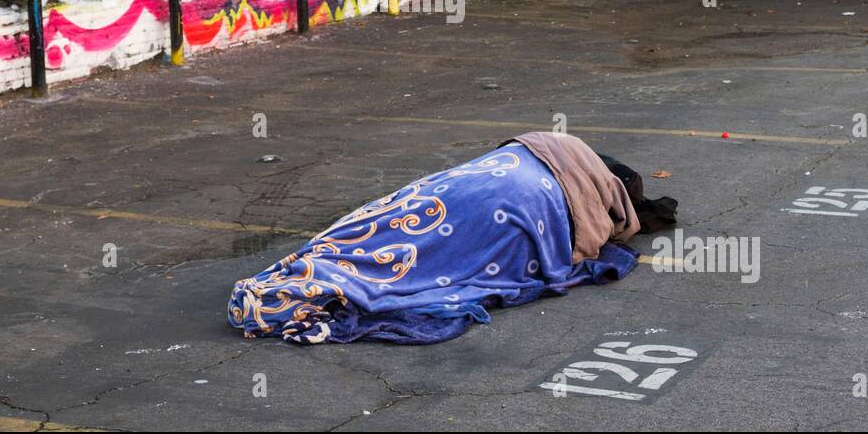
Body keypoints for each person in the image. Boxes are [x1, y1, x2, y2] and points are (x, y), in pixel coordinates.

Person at [227, 132, 678, 345]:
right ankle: (333, 269)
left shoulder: (555, 145)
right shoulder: (592, 192)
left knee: (397, 213)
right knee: (435, 248)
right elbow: (596, 231)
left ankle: (323, 257)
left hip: (481, 183)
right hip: (519, 197)